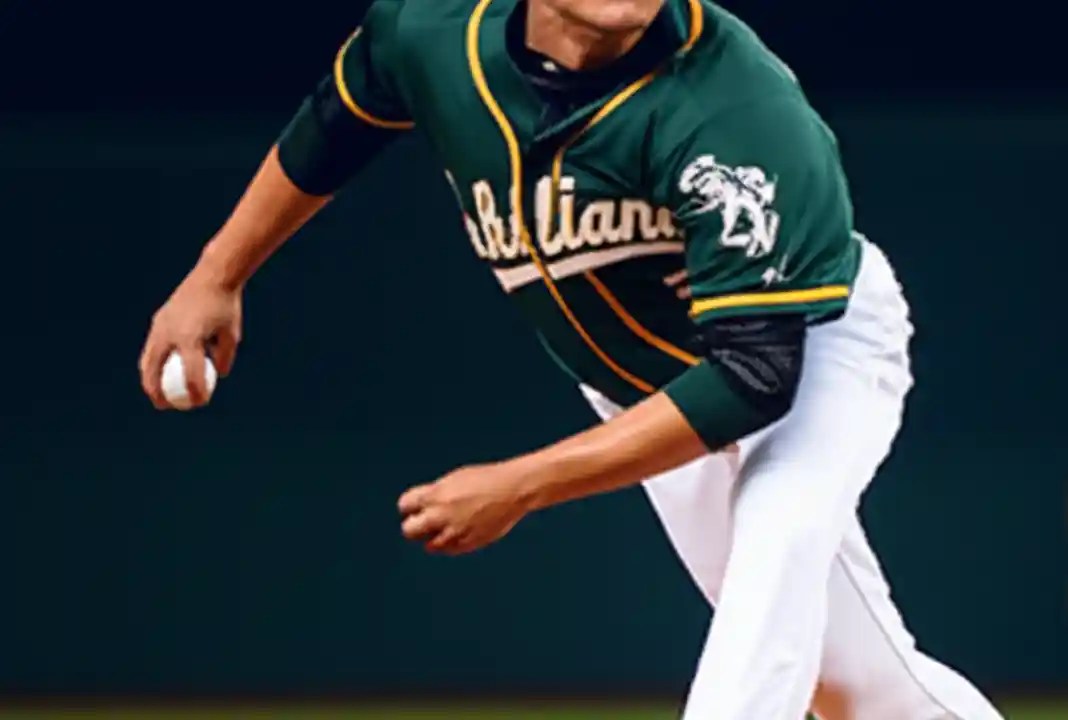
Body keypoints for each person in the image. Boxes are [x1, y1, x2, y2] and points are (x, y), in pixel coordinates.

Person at [138, 0, 1003, 717]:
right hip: (647, 395)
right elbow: (344, 112)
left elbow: (753, 379)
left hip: (814, 354)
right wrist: (217, 275)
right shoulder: (436, 33)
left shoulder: (734, 104)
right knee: (858, 689)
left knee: (775, 544)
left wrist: (523, 484)